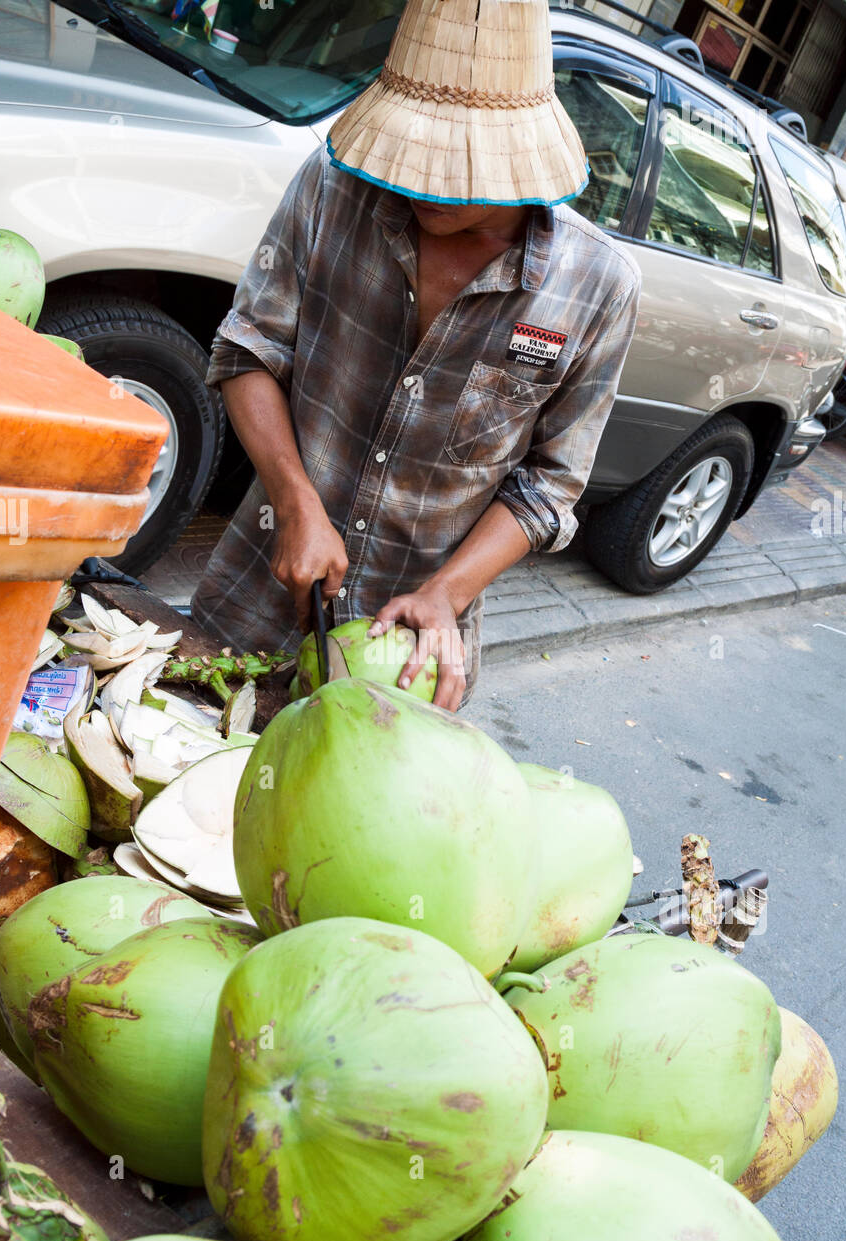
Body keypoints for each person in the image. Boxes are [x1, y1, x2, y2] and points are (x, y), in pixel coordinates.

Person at [192, 0, 642, 711]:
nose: (425, 188)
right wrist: (294, 497)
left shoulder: (598, 287)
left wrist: (446, 595)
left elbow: (550, 485)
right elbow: (249, 347)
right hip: (254, 594)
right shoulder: (334, 190)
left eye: (455, 170)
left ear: (517, 154)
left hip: (409, 660)